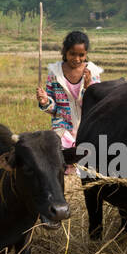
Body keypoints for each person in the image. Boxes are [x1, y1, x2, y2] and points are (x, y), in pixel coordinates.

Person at [36, 30, 103, 162]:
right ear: (65, 52)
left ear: (86, 54)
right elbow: (54, 108)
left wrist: (88, 87)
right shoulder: (55, 73)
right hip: (62, 128)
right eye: (72, 54)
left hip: (86, 126)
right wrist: (45, 101)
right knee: (59, 155)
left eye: (81, 55)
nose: (77, 59)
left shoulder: (92, 73)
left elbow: (95, 106)